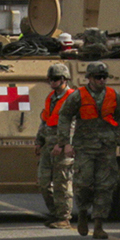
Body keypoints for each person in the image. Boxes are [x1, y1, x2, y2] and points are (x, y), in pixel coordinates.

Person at [71, 61, 120, 239]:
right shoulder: (78, 96)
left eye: (104, 77)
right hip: (84, 147)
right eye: (98, 77)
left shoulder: (113, 95)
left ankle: (99, 225)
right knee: (83, 183)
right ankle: (83, 213)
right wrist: (64, 142)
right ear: (90, 78)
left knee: (105, 186)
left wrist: (119, 137)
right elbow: (64, 116)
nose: (102, 80)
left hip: (106, 147)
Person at [36, 63, 76, 229]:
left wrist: (63, 143)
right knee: (43, 182)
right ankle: (55, 213)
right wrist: (39, 141)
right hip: (48, 144)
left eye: (56, 79)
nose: (52, 82)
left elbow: (74, 124)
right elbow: (45, 120)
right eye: (50, 79)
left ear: (64, 79)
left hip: (64, 146)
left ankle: (64, 217)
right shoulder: (51, 98)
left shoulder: (73, 98)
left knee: (62, 183)